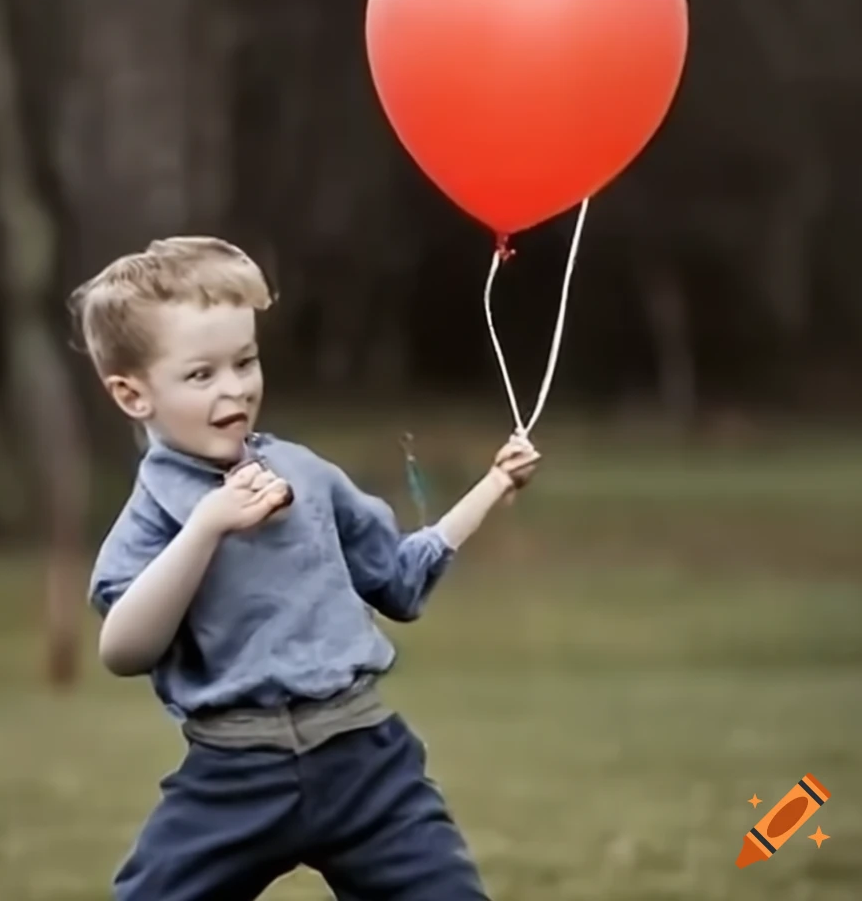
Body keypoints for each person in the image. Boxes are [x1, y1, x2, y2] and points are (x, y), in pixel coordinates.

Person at [69, 235, 541, 901]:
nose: (235, 388)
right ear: (131, 395)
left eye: (245, 362)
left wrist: (493, 484)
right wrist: (207, 525)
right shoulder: (153, 517)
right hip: (233, 776)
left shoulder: (307, 475)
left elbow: (400, 582)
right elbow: (124, 648)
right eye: (201, 375)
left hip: (365, 764)